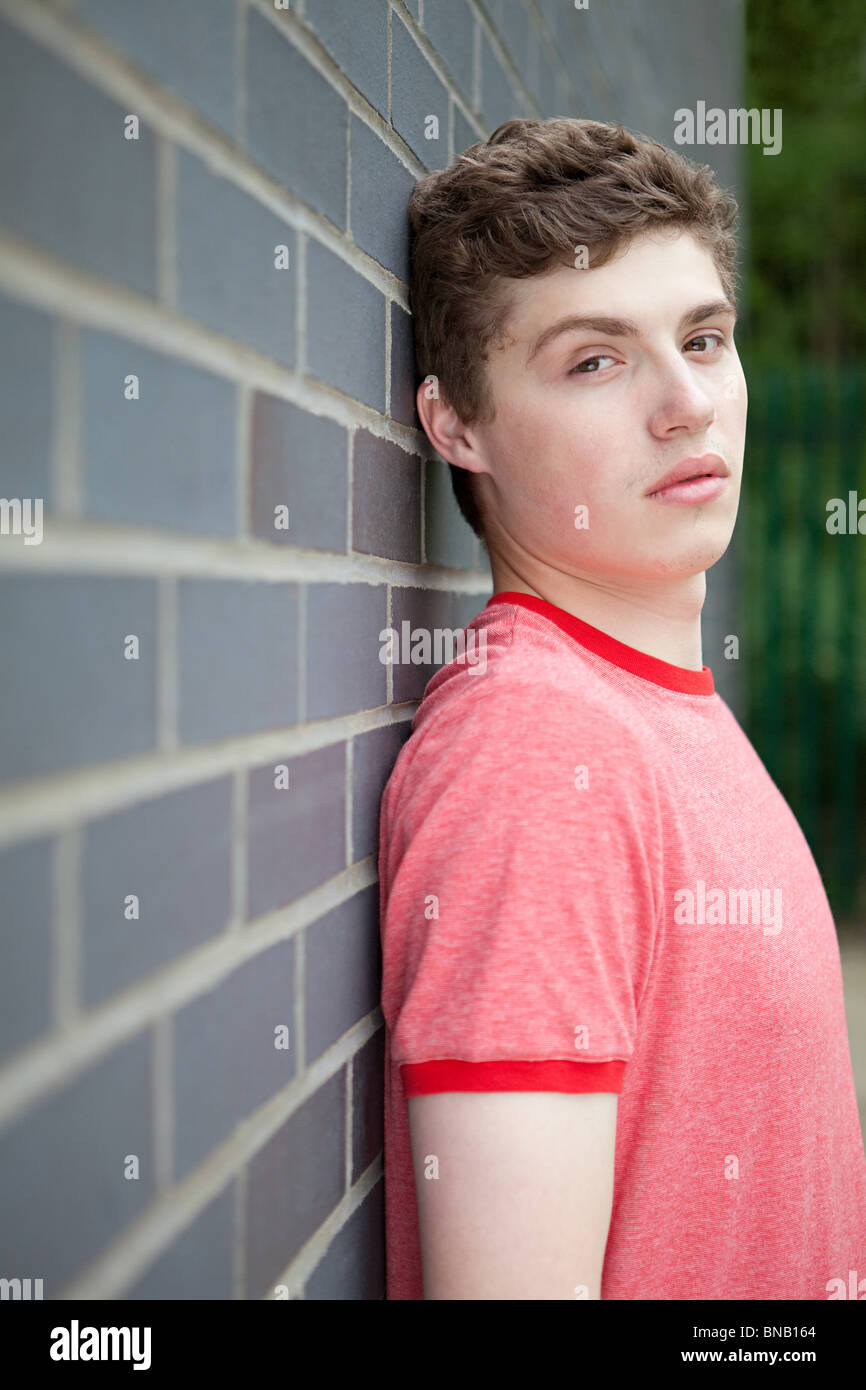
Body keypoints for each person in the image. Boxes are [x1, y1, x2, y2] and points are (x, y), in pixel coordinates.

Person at [378, 117, 866, 1300]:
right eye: (594, 360)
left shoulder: (652, 713)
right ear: (457, 425)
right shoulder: (537, 753)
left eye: (702, 338)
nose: (687, 403)